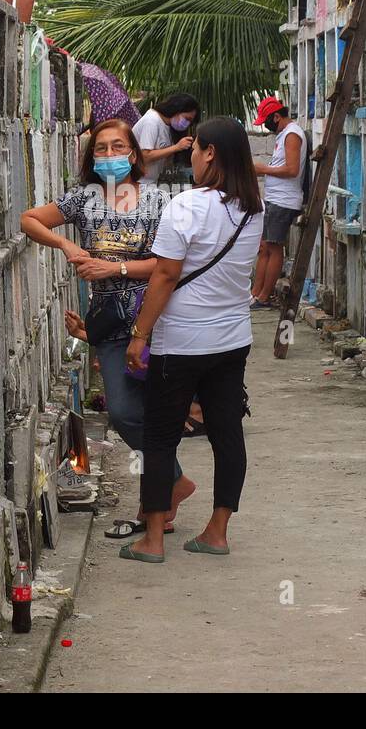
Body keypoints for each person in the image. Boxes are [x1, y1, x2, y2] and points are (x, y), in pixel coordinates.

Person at [20, 120, 197, 538]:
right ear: (92, 157)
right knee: (122, 410)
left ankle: (156, 502)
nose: (110, 154)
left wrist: (112, 266)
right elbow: (29, 219)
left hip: (153, 317)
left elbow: (167, 265)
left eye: (118, 146)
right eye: (101, 148)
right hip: (110, 320)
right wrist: (66, 244)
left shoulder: (158, 201)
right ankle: (171, 481)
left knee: (151, 410)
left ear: (134, 154)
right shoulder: (84, 199)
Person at [121, 117, 265, 563]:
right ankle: (217, 531)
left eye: (195, 149)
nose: (191, 156)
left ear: (211, 155)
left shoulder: (185, 206)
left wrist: (139, 335)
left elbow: (165, 274)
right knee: (227, 433)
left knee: (160, 436)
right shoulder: (254, 208)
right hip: (232, 338)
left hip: (181, 341)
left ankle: (153, 540)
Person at [250, 97, 307, 309]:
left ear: (277, 116)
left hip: (284, 200)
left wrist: (262, 169)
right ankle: (255, 293)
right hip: (275, 199)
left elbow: (292, 170)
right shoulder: (283, 134)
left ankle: (264, 296)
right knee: (264, 247)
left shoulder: (292, 134)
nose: (266, 126)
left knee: (274, 248)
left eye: (267, 121)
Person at [132, 93, 200, 186]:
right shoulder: (151, 121)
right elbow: (144, 156)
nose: (187, 124)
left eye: (190, 122)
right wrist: (176, 147)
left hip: (149, 182)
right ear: (177, 109)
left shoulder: (168, 126)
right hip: (137, 182)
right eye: (187, 118)